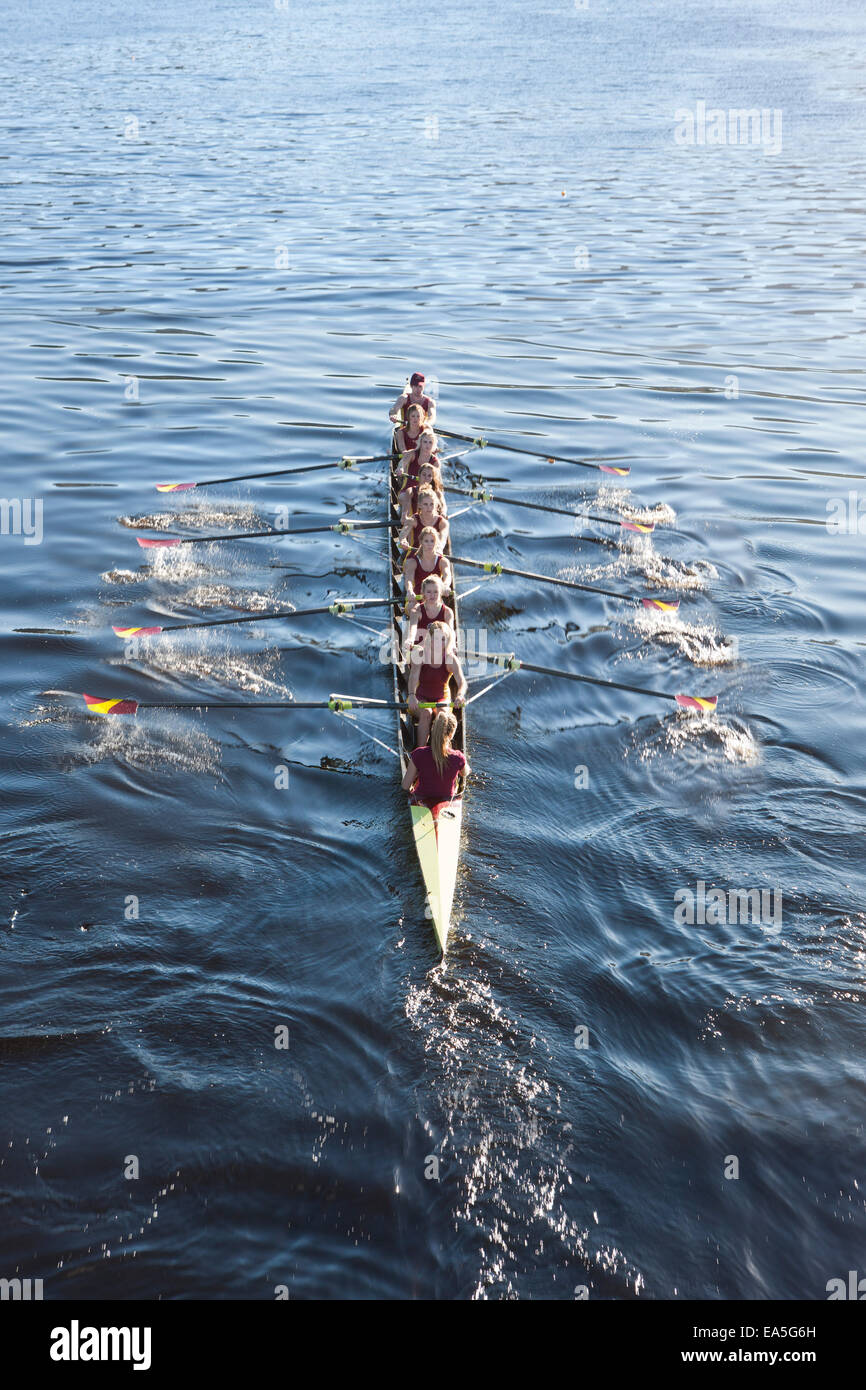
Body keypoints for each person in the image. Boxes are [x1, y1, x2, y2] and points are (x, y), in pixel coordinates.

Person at [407, 620, 467, 747]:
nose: (440, 643)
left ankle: (440, 752)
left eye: (443, 639)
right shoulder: (421, 654)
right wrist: (412, 695)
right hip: (420, 696)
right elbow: (412, 677)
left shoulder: (451, 659)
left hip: (442, 698)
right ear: (430, 639)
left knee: (442, 717)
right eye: (437, 639)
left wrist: (460, 695)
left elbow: (462, 682)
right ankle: (420, 753)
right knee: (426, 713)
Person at [401, 708, 468, 804]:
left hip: (420, 797)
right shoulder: (458, 757)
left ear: (433, 729)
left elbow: (405, 786)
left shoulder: (418, 753)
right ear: (452, 735)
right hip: (447, 799)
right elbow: (465, 773)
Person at [402, 525, 452, 597]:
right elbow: (409, 579)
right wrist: (409, 590)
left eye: (432, 541)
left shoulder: (443, 561)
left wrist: (446, 585)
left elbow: (447, 576)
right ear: (421, 542)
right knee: (411, 607)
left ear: (436, 542)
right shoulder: (412, 561)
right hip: (418, 597)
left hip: (435, 599)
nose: (429, 544)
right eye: (426, 541)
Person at [406, 574, 454, 647]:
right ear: (423, 593)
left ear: (441, 592)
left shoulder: (448, 612)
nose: (432, 595)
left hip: (440, 650)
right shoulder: (416, 611)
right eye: (429, 592)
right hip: (421, 650)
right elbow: (413, 628)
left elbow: (451, 632)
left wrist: (452, 645)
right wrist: (410, 639)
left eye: (435, 592)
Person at [400, 486, 449, 555]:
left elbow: (443, 539)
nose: (429, 508)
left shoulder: (442, 523)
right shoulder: (414, 519)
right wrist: (403, 540)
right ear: (419, 505)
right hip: (416, 554)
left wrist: (439, 548)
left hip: (435, 554)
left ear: (436, 505)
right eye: (425, 504)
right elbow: (403, 533)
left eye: (431, 504)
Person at [397, 458, 445, 523]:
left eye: (429, 476)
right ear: (419, 475)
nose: (426, 478)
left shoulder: (437, 493)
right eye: (424, 474)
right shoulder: (410, 491)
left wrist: (443, 513)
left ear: (432, 478)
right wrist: (404, 517)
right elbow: (405, 513)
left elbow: (443, 507)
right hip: (414, 524)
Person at [396, 425, 439, 489]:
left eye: (430, 442)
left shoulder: (435, 462)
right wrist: (400, 468)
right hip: (409, 490)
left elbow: (437, 481)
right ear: (420, 443)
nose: (427, 445)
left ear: (433, 445)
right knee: (403, 496)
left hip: (425, 492)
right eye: (425, 442)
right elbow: (402, 463)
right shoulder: (412, 454)